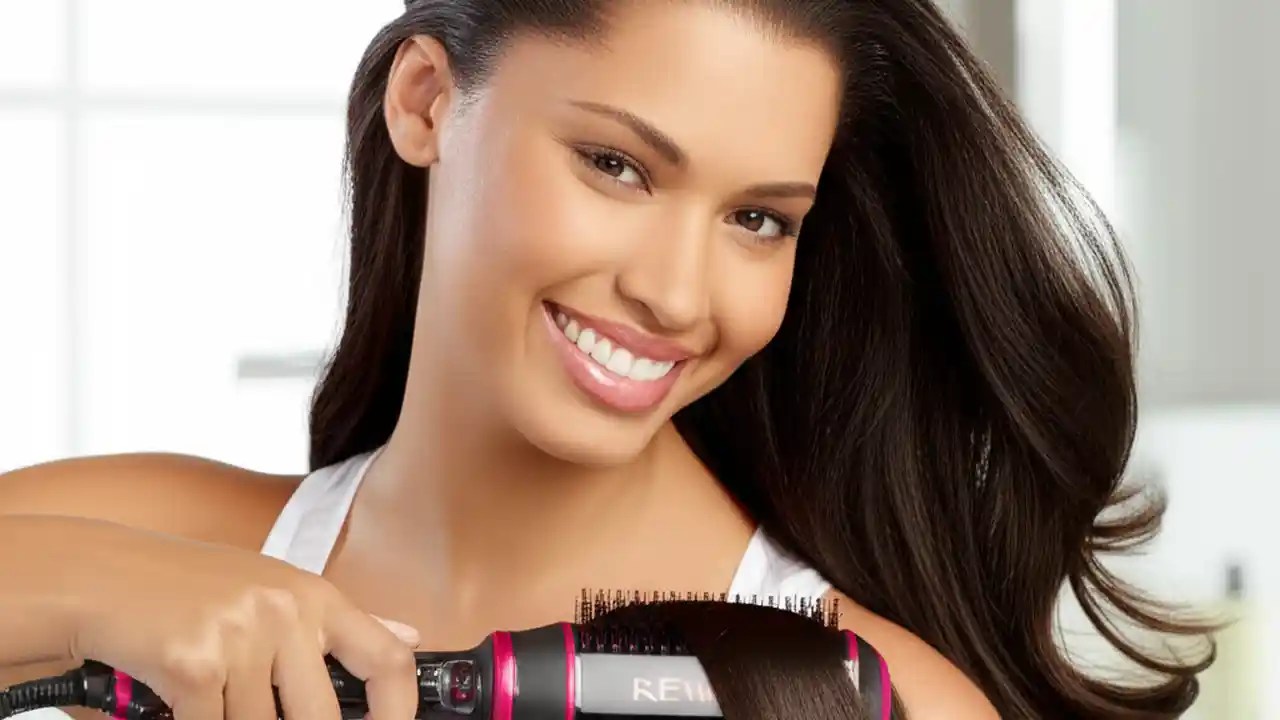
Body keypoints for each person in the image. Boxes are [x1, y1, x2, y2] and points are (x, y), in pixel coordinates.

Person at [0, 0, 1213, 718]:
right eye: (617, 166)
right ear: (427, 101)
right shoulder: (142, 546)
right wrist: (88, 596)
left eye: (758, 220)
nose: (675, 295)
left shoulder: (858, 699)